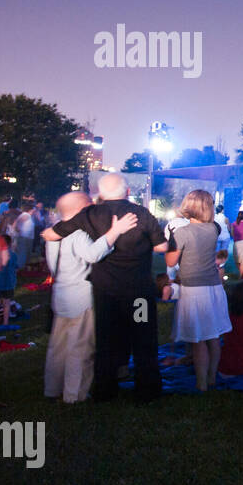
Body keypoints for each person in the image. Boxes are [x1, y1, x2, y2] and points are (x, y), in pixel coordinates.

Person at [43, 172, 168, 403]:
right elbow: (161, 247)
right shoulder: (140, 213)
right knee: (142, 339)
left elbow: (51, 234)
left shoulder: (88, 214)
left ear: (100, 194)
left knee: (105, 340)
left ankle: (105, 389)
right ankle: (147, 390)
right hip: (137, 291)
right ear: (128, 191)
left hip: (105, 291)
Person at [165, 189, 232, 392]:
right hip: (214, 286)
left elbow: (170, 260)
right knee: (213, 337)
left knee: (199, 339)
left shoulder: (182, 232)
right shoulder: (214, 228)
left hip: (194, 289)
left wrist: (170, 244)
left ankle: (201, 383)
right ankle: (212, 376)